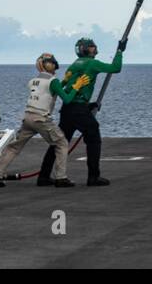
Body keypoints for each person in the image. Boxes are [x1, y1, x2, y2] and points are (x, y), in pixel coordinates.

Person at [36, 37, 122, 187]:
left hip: (68, 109)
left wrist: (88, 106)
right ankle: (93, 177)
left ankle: (43, 176)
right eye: (91, 47)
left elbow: (70, 87)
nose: (94, 48)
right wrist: (120, 51)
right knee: (93, 137)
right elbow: (115, 68)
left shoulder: (75, 64)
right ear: (85, 49)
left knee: (59, 142)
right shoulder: (92, 63)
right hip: (78, 109)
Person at [0, 52, 90, 186]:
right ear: (49, 65)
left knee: (14, 147)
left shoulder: (33, 81)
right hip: (41, 119)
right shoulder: (53, 81)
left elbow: (49, 89)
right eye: (53, 63)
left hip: (27, 118)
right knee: (61, 143)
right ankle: (61, 178)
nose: (55, 65)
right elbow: (67, 99)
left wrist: (64, 81)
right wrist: (76, 86)